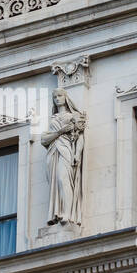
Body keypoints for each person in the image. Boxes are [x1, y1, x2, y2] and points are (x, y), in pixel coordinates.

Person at [41, 88, 86, 225]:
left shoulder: (73, 116)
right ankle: (58, 212)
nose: (57, 99)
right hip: (53, 152)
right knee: (56, 181)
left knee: (63, 178)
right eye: (55, 97)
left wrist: (77, 153)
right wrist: (60, 131)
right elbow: (44, 140)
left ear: (66, 98)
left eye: (60, 96)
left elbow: (80, 137)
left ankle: (67, 212)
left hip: (66, 150)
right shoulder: (53, 118)